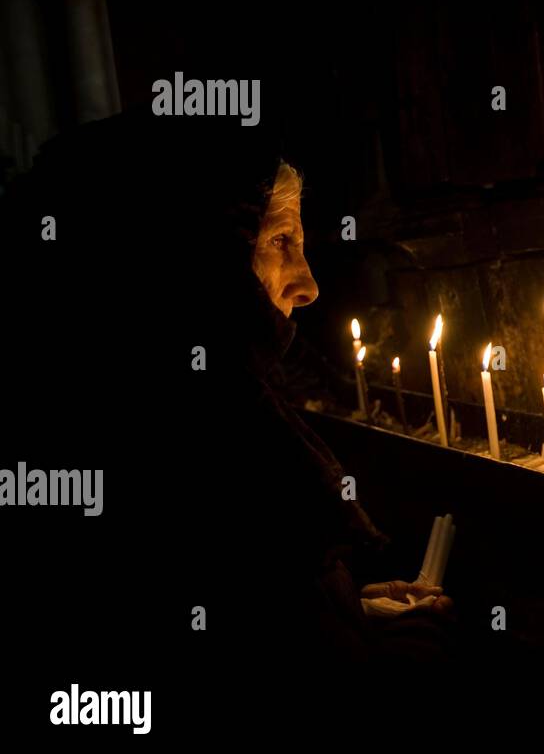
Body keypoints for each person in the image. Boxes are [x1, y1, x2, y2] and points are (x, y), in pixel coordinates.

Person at [0, 106, 459, 724]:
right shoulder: (188, 444)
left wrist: (346, 609)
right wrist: (366, 682)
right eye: (278, 242)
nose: (307, 283)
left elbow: (262, 618)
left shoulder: (211, 408)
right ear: (192, 259)